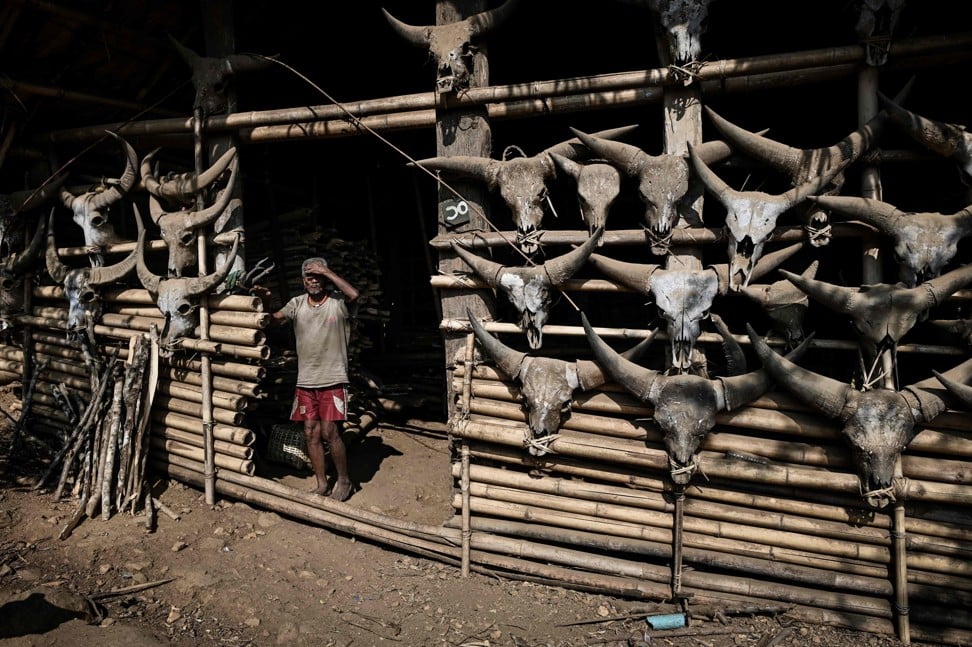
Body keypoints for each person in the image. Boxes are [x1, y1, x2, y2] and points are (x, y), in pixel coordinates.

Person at [253, 257, 360, 501]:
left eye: (318, 276)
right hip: (306, 381)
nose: (314, 280)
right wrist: (266, 301)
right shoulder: (297, 303)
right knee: (311, 432)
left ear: (325, 278)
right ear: (303, 281)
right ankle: (322, 483)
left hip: (332, 378)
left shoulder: (337, 303)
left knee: (330, 432)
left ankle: (344, 481)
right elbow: (274, 321)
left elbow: (354, 295)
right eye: (309, 276)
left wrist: (327, 270)